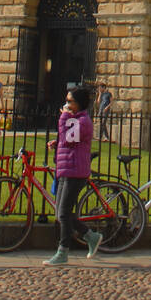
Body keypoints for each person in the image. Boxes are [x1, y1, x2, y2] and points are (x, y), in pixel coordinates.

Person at [43, 85, 102, 266]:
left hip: (75, 172)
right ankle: (91, 236)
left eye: (70, 101)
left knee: (63, 213)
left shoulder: (83, 121)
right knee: (62, 212)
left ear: (79, 103)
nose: (67, 104)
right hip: (66, 169)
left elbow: (70, 139)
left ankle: (63, 252)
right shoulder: (75, 119)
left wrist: (63, 116)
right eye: (67, 101)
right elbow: (67, 138)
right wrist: (57, 142)